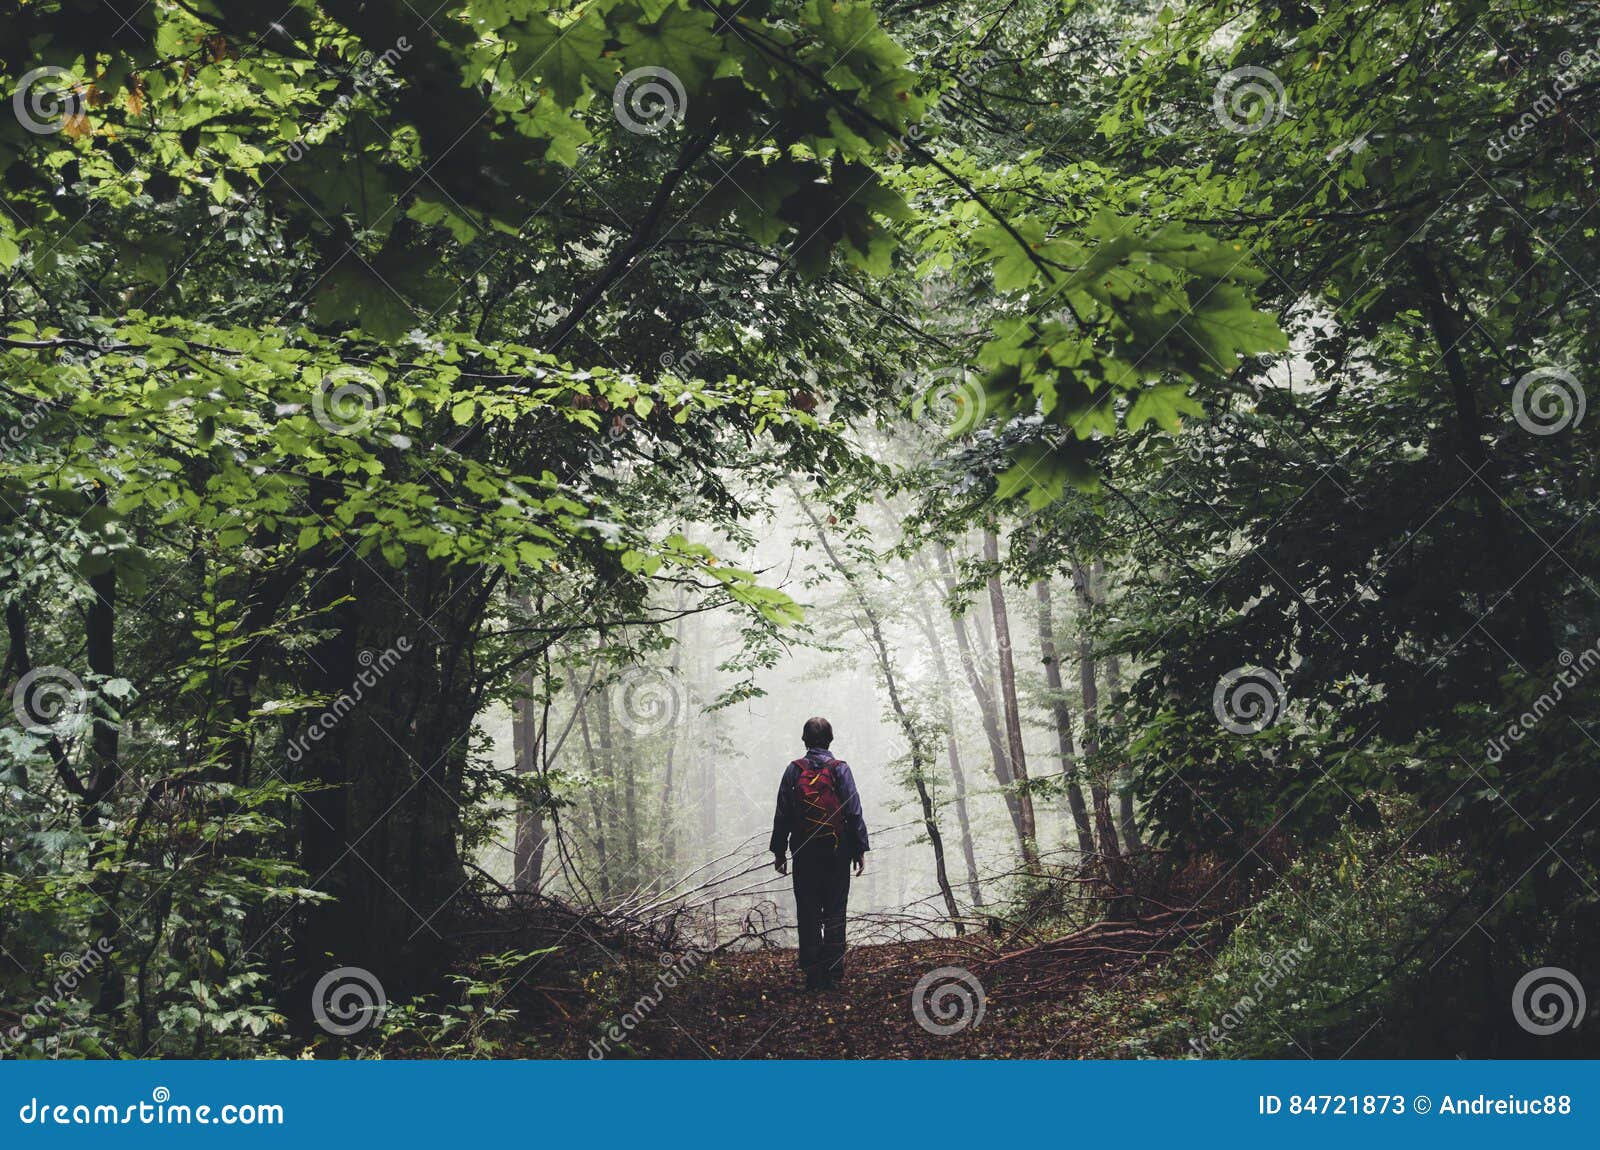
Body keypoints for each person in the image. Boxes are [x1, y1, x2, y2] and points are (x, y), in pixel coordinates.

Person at [768, 716, 869, 990]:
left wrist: (779, 851)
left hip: (804, 851)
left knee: (809, 910)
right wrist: (860, 848)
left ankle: (813, 974)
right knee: (835, 910)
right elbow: (853, 810)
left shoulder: (793, 770)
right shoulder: (840, 769)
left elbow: (783, 814)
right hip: (838, 850)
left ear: (804, 740)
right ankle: (834, 974)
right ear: (831, 739)